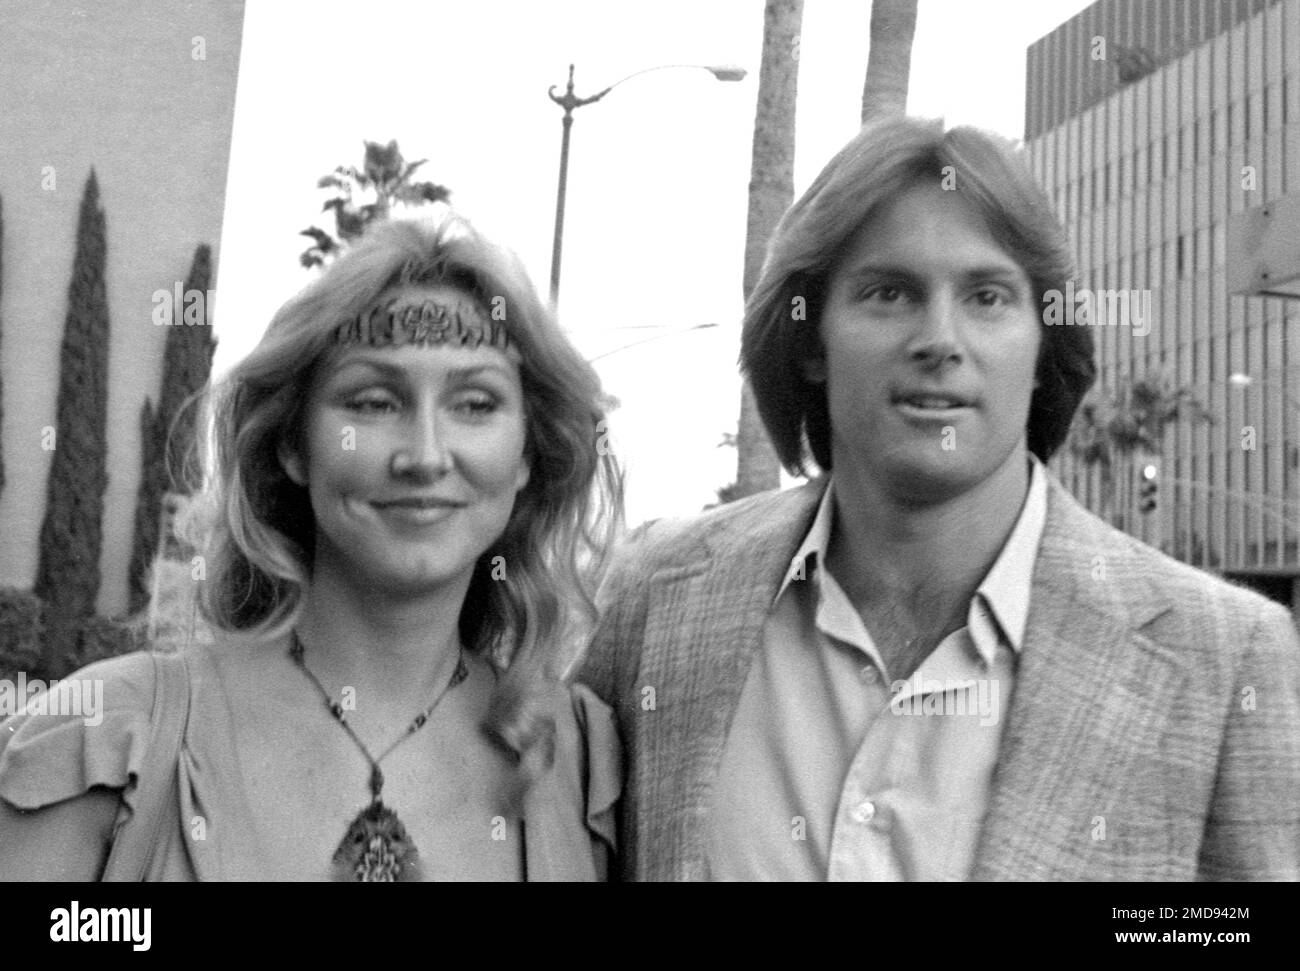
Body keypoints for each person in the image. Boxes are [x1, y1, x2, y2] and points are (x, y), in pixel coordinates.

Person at [578, 115, 1300, 881]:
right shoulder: (659, 598)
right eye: (889, 293)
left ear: (1041, 345)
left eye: (988, 296)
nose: (940, 339)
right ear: (812, 341)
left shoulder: (1223, 657)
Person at [0, 213, 623, 881]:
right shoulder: (111, 737)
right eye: (374, 402)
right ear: (292, 444)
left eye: (474, 403)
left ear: (528, 453)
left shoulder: (578, 764)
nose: (424, 456)